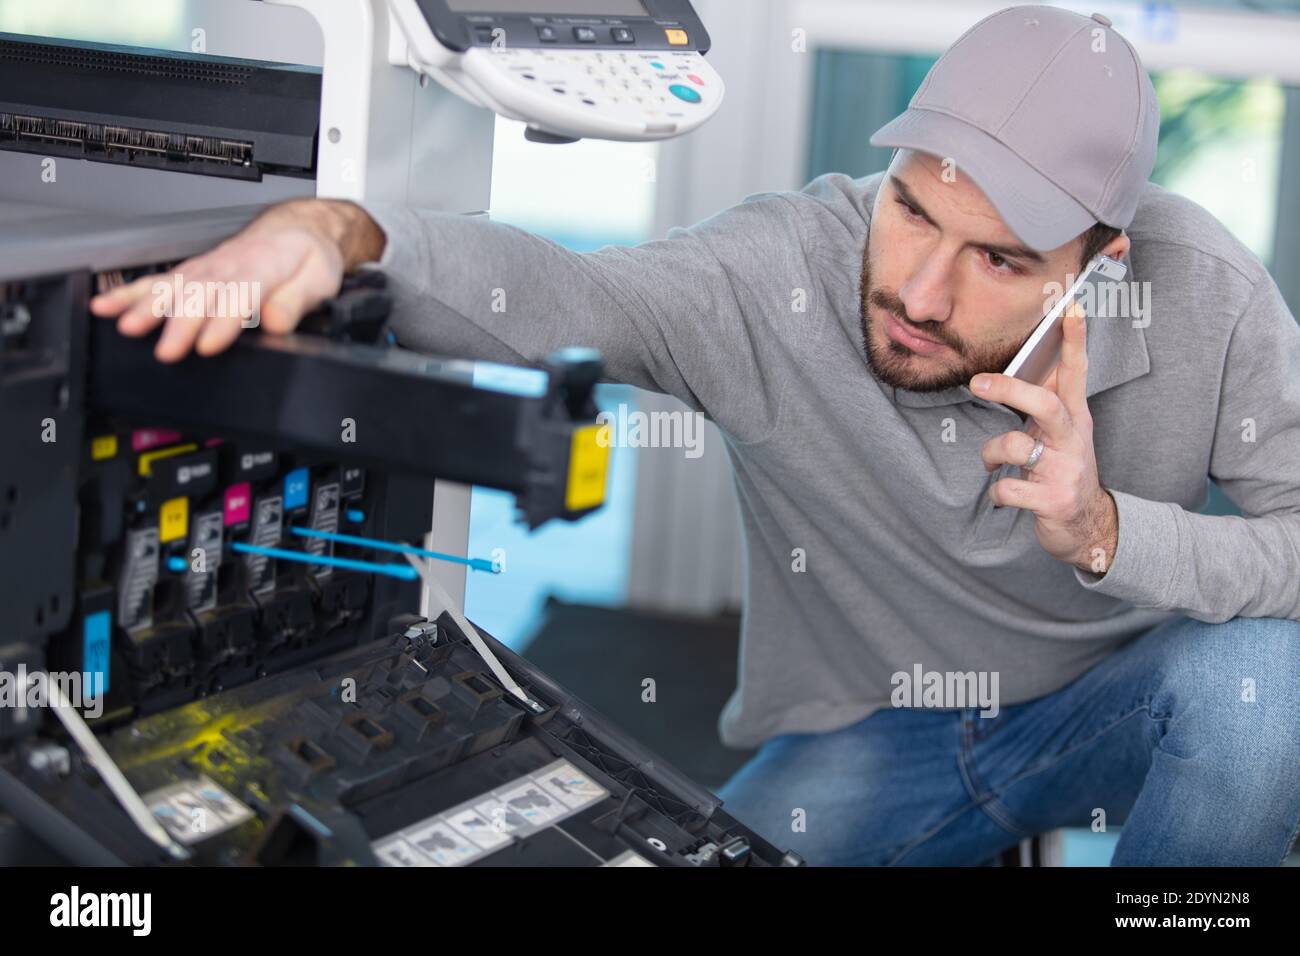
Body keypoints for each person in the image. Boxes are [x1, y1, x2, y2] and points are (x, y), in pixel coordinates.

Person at [92, 5, 1300, 865]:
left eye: (998, 260)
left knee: (1264, 691)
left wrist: (1104, 532)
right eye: (913, 212)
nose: (922, 293)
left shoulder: (1206, 294)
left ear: (1101, 266)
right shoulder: (777, 273)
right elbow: (564, 294)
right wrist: (337, 230)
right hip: (872, 733)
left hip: (1109, 706)